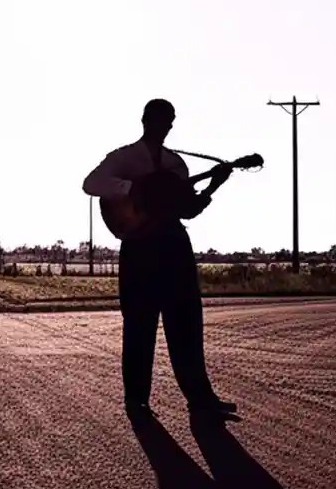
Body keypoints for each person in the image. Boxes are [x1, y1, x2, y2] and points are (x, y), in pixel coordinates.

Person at [82, 98, 237, 416]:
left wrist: (213, 187)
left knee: (187, 324)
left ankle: (200, 400)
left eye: (169, 121)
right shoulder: (124, 157)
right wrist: (130, 189)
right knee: (139, 324)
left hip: (173, 245)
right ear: (144, 120)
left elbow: (187, 209)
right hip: (139, 246)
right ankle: (136, 401)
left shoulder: (176, 164)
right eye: (158, 119)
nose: (164, 126)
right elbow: (91, 184)